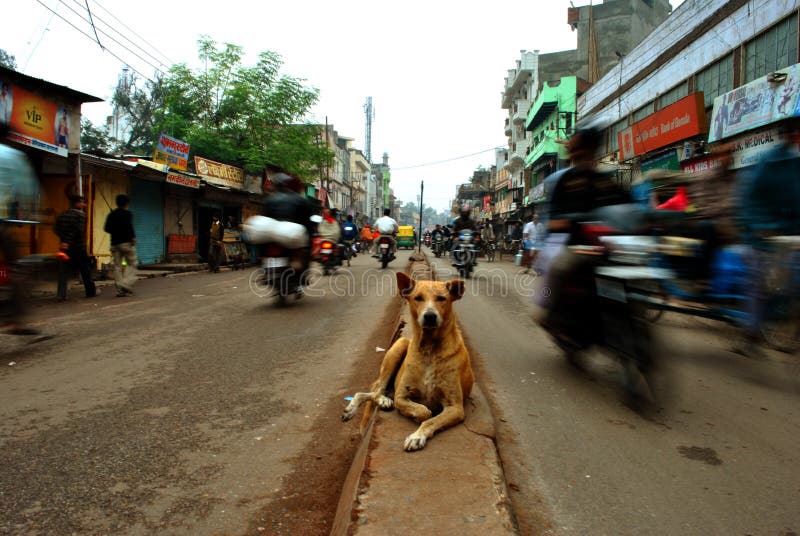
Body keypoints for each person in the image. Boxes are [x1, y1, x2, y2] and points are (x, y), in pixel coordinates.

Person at [538, 118, 629, 337]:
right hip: (576, 246)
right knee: (557, 268)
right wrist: (568, 224)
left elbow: (627, 207)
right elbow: (552, 219)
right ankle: (549, 314)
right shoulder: (564, 182)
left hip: (607, 248)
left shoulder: (606, 182)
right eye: (579, 152)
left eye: (586, 152)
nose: (583, 157)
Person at [735, 120, 800, 357]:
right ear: (789, 136)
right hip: (762, 234)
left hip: (788, 234)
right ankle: (750, 336)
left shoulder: (796, 164)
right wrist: (761, 226)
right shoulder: (768, 162)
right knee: (758, 285)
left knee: (792, 281)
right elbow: (750, 199)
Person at [1, 118, 45, 336]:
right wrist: (30, 213)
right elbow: (28, 191)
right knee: (17, 268)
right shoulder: (13, 156)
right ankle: (15, 320)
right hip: (1, 223)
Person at [262, 172, 315, 282]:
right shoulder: (300, 200)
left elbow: (265, 219)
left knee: (264, 248)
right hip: (293, 237)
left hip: (273, 237)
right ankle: (302, 276)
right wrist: (310, 239)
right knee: (306, 252)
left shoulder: (269, 200)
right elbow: (307, 223)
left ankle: (263, 270)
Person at [55, 194, 97, 300]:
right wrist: (68, 241)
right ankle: (90, 291)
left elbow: (56, 228)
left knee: (63, 271)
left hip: (64, 248)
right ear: (77, 203)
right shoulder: (80, 215)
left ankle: (61, 295)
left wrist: (64, 240)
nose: (83, 204)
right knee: (85, 269)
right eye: (82, 202)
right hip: (78, 246)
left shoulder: (63, 214)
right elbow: (77, 230)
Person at [103, 194, 137, 297]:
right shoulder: (128, 214)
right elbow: (129, 226)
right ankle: (125, 284)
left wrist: (115, 230)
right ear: (127, 203)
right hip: (126, 243)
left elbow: (106, 228)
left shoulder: (111, 215)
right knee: (132, 263)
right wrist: (132, 237)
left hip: (114, 244)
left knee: (117, 267)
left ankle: (120, 290)